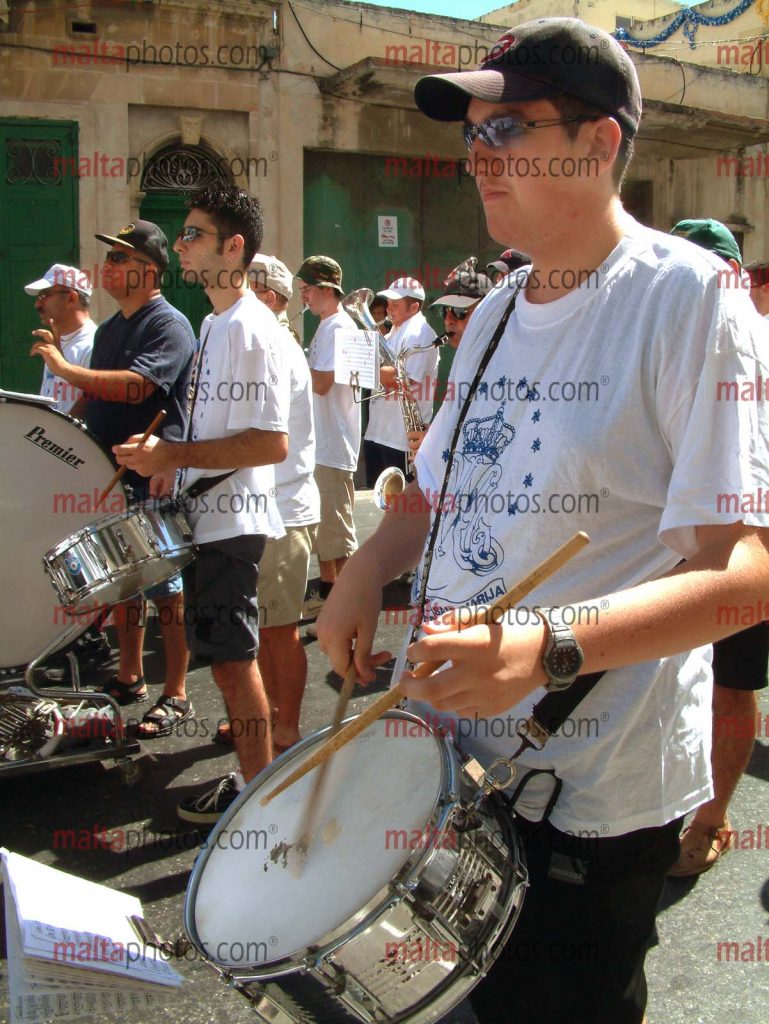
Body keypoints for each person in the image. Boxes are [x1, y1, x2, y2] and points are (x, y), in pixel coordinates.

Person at [315, 18, 769, 1024]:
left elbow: (742, 576)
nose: (478, 157)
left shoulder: (688, 299)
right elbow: (436, 485)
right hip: (450, 759)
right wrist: (368, 567)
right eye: (472, 135)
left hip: (587, 792)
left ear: (599, 142)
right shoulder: (494, 309)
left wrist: (544, 647)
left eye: (508, 129)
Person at [114, 186, 289, 822]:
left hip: (233, 522)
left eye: (193, 235)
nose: (181, 245)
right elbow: (217, 427)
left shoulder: (251, 328)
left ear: (233, 247)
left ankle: (259, 801)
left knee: (234, 665)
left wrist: (174, 455)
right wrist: (171, 461)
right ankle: (257, 788)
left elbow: (271, 442)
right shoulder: (214, 323)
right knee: (225, 663)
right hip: (207, 516)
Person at [31, 222, 195, 717]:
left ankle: (176, 693)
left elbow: (136, 386)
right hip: (109, 475)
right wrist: (59, 436)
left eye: (120, 258)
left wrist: (63, 368)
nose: (108, 267)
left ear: (149, 270)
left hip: (150, 476)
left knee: (165, 589)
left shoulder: (169, 324)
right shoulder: (109, 329)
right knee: (124, 584)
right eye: (109, 258)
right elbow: (95, 396)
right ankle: (130, 676)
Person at [665, 219, 769, 875]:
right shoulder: (660, 338)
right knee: (664, 681)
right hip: (670, 548)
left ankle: (711, 818)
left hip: (743, 551)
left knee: (730, 685)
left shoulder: (757, 342)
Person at [211, 253, 319, 752]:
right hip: (256, 509)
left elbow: (264, 441)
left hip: (282, 510)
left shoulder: (274, 344)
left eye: (245, 284)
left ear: (269, 296)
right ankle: (263, 715)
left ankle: (287, 727)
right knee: (258, 629)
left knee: (278, 631)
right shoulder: (247, 337)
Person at [295, 256, 360, 629]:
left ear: (325, 289)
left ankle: (349, 604)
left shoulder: (339, 327)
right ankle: (327, 592)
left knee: (338, 533)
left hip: (333, 446)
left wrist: (291, 359)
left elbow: (320, 384)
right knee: (324, 531)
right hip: (320, 444)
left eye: (306, 289)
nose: (303, 296)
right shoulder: (326, 325)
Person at [406, 261, 493, 457]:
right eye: (445, 311)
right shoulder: (465, 358)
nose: (448, 320)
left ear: (488, 312)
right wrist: (435, 434)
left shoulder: (497, 362)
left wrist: (437, 441)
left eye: (460, 312)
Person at [363, 276, 438, 486]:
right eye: (388, 304)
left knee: (400, 500)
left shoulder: (420, 333)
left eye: (395, 305)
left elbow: (404, 380)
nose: (388, 309)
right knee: (376, 498)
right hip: (379, 432)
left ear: (414, 307)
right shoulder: (394, 331)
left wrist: (364, 365)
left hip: (401, 438)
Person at [25, 264, 96, 414]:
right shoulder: (56, 342)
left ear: (71, 298)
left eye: (45, 295)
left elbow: (91, 406)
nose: (37, 304)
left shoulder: (94, 344)